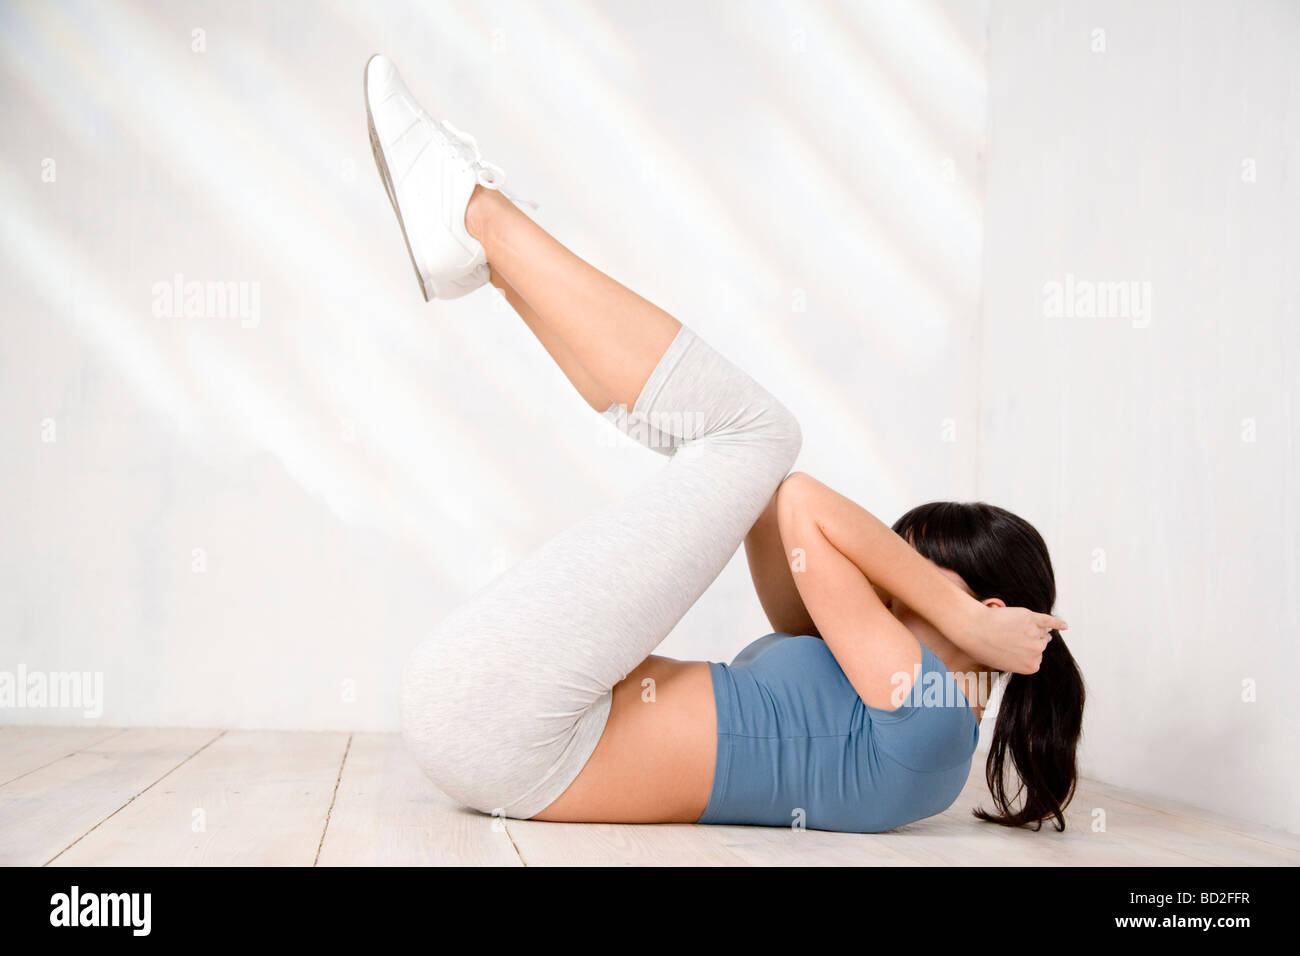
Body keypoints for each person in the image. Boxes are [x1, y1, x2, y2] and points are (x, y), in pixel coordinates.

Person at [365, 55, 1085, 833]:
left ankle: (479, 218)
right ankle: (492, 264)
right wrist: (942, 606)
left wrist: (969, 626)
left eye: (911, 581)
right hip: (505, 730)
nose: (884, 585)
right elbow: (771, 504)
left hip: (511, 725)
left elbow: (800, 498)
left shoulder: (933, 717)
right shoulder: (882, 695)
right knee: (742, 449)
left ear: (981, 609)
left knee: (761, 434)